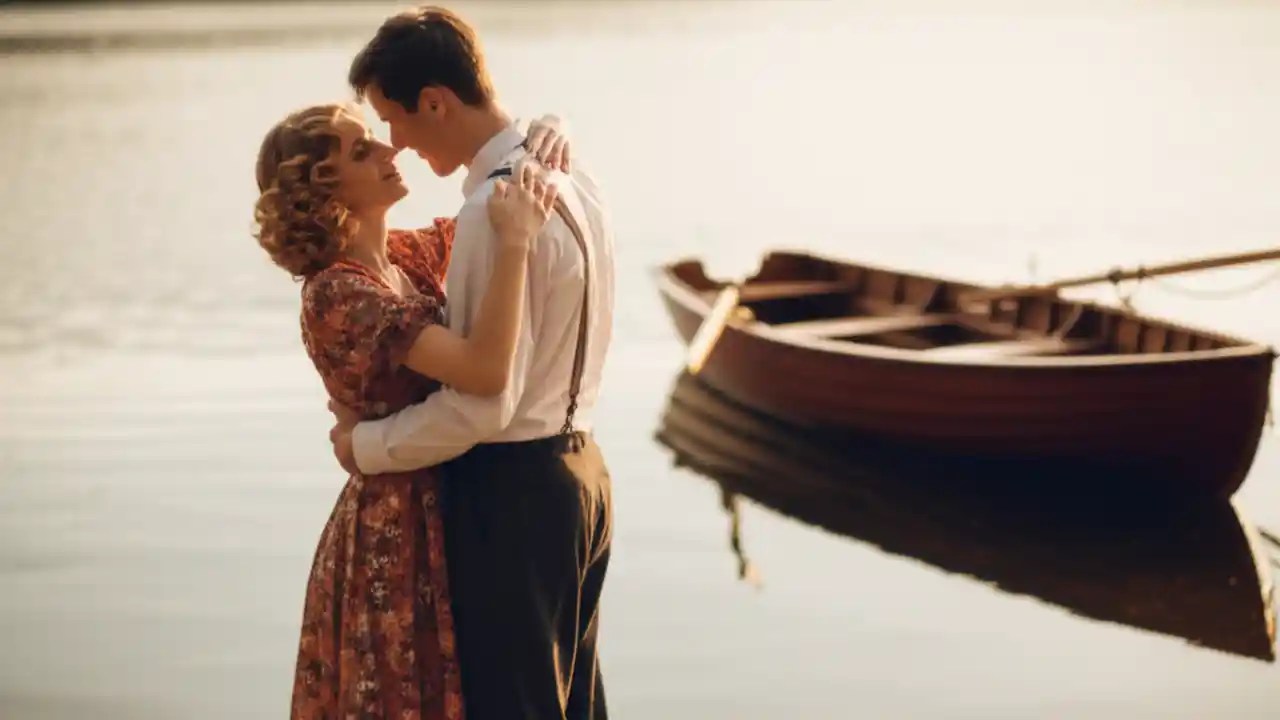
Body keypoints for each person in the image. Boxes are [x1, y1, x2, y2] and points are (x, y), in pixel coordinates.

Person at [327, 6, 617, 719]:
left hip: (513, 492)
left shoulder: (498, 210)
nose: (394, 143)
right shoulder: (571, 178)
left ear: (436, 102)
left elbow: (486, 401)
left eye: (393, 120)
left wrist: (365, 445)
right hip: (586, 476)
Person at [252, 100, 572, 718]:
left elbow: (500, 187)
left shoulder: (405, 259)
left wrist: (551, 129)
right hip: (391, 533)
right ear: (324, 190)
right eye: (360, 150)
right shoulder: (337, 293)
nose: (390, 151)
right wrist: (514, 247)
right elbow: (484, 371)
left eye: (376, 138)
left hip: (447, 503)